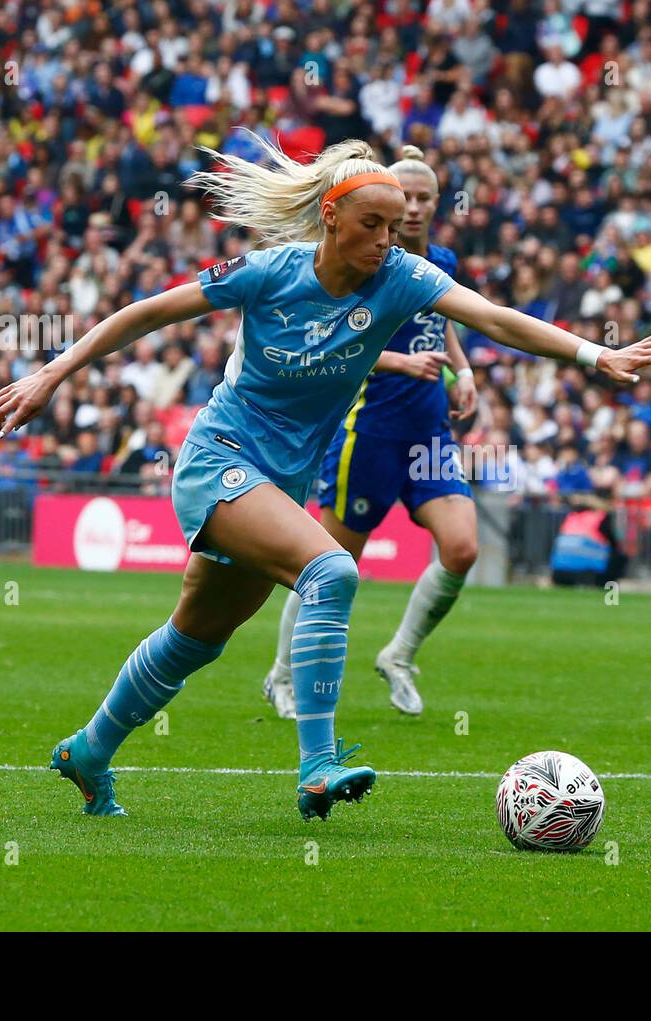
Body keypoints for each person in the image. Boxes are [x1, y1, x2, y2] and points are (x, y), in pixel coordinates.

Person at [0, 134, 651, 820]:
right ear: (330, 216)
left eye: (395, 223)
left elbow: (494, 318)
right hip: (219, 460)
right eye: (372, 224)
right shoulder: (268, 271)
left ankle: (88, 749)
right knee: (333, 570)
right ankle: (317, 763)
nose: (387, 238)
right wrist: (53, 372)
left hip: (282, 483)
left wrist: (594, 355)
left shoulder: (402, 279)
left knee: (194, 637)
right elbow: (149, 312)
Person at [260, 145, 479, 719]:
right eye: (402, 199)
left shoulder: (443, 262)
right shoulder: (363, 264)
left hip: (428, 427)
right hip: (369, 428)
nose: (412, 210)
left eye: (424, 198)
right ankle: (281, 675)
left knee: (462, 547)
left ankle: (399, 655)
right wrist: (401, 363)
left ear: (435, 204)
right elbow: (331, 341)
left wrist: (463, 371)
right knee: (330, 561)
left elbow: (443, 324)